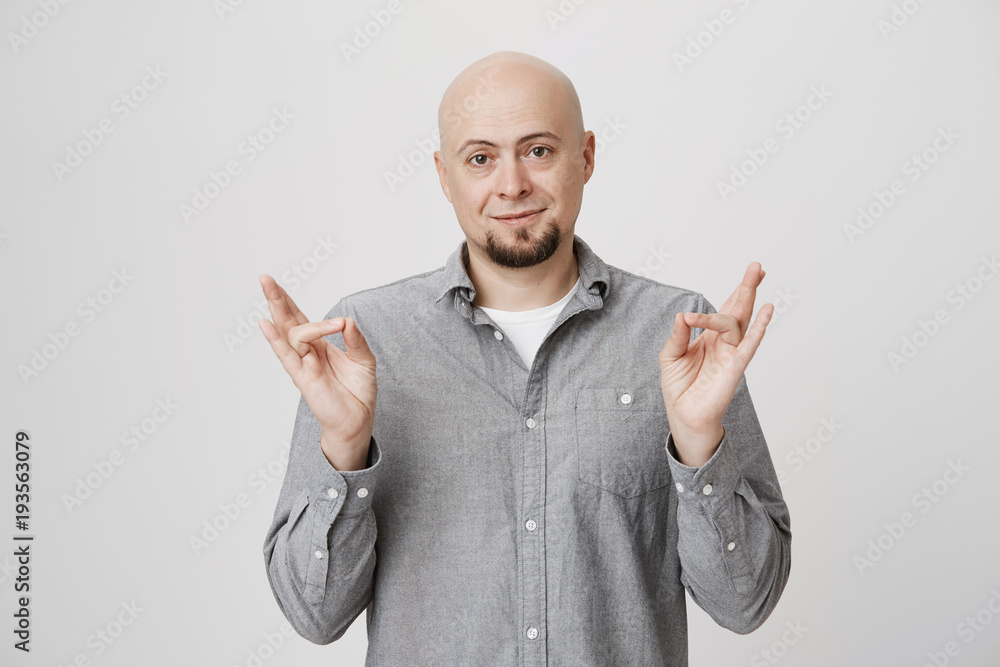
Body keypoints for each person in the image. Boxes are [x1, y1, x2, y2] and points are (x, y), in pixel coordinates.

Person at [259, 50, 791, 666]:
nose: (511, 185)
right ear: (444, 176)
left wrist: (699, 445)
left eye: (538, 150)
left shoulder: (681, 333)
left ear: (586, 157)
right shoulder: (363, 339)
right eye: (480, 158)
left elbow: (746, 604)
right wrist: (345, 447)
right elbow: (315, 615)